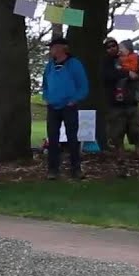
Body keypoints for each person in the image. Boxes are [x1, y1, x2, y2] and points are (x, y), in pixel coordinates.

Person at [40, 37, 88, 180]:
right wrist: (47, 97)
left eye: (53, 47)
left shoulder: (74, 64)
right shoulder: (49, 66)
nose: (51, 50)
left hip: (69, 107)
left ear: (62, 48)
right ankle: (53, 170)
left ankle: (76, 169)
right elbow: (45, 84)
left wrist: (74, 100)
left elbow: (83, 86)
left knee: (73, 138)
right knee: (53, 139)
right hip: (53, 107)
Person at [102, 37, 139, 168]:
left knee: (138, 134)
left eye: (114, 46)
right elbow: (108, 76)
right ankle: (121, 164)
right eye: (108, 47)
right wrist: (127, 73)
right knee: (117, 136)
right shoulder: (107, 62)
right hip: (115, 106)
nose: (112, 49)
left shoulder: (132, 58)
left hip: (132, 104)